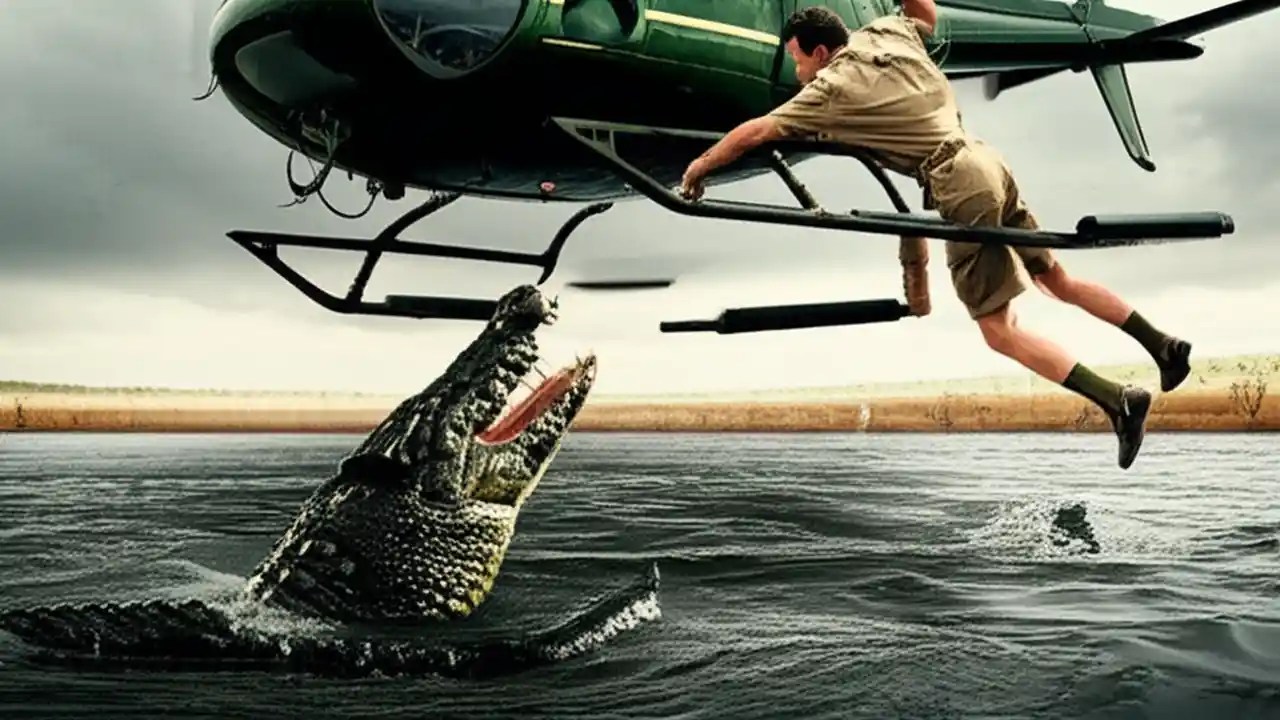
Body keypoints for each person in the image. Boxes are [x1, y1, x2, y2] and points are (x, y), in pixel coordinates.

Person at [679, 0, 1192, 469]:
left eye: (798, 61)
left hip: (959, 183)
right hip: (989, 159)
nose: (797, 72)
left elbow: (755, 131)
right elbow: (924, 10)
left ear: (819, 51)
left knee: (998, 330)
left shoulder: (829, 89)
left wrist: (698, 169)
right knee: (1055, 279)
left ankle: (1118, 401)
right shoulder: (888, 31)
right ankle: (1163, 345)